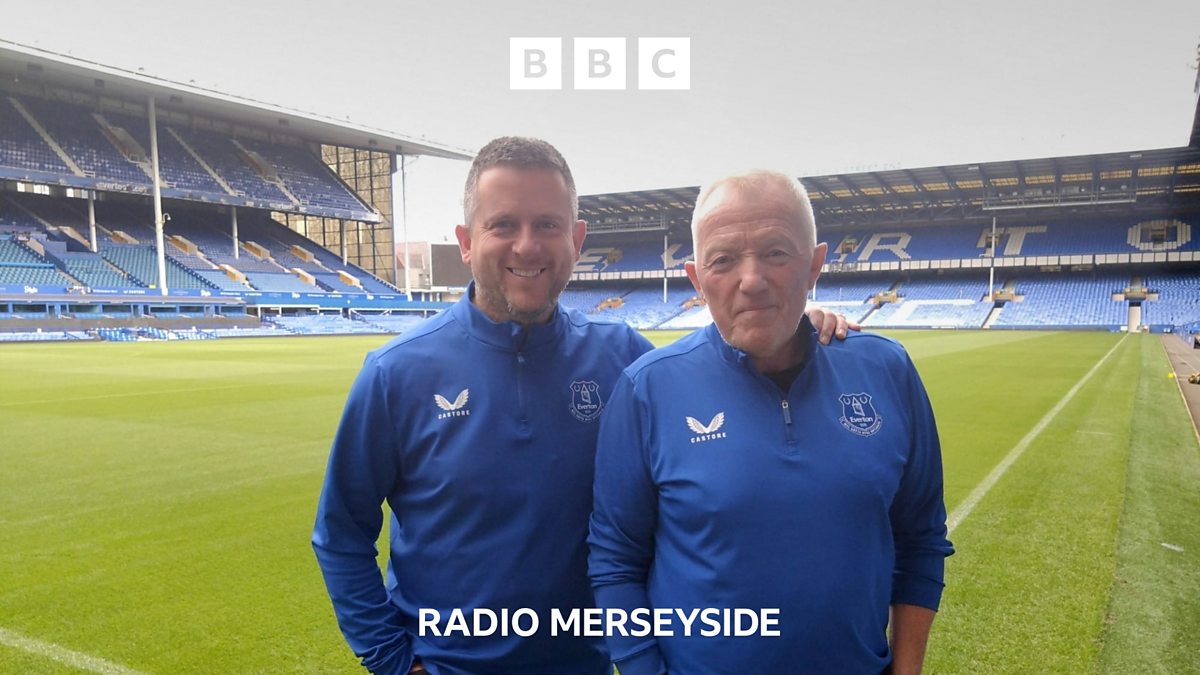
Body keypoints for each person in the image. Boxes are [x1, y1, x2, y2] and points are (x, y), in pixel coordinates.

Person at [312, 138, 853, 675]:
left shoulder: (624, 359)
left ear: (576, 239)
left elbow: (722, 374)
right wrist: (392, 661)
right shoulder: (396, 373)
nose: (528, 246)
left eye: (548, 225)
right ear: (466, 243)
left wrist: (799, 322)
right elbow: (340, 532)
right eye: (504, 225)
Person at [589, 170, 953, 675]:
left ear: (814, 266)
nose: (752, 280)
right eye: (724, 260)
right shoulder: (647, 388)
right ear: (696, 279)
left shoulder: (886, 371)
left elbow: (921, 538)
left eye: (776, 253)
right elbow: (615, 561)